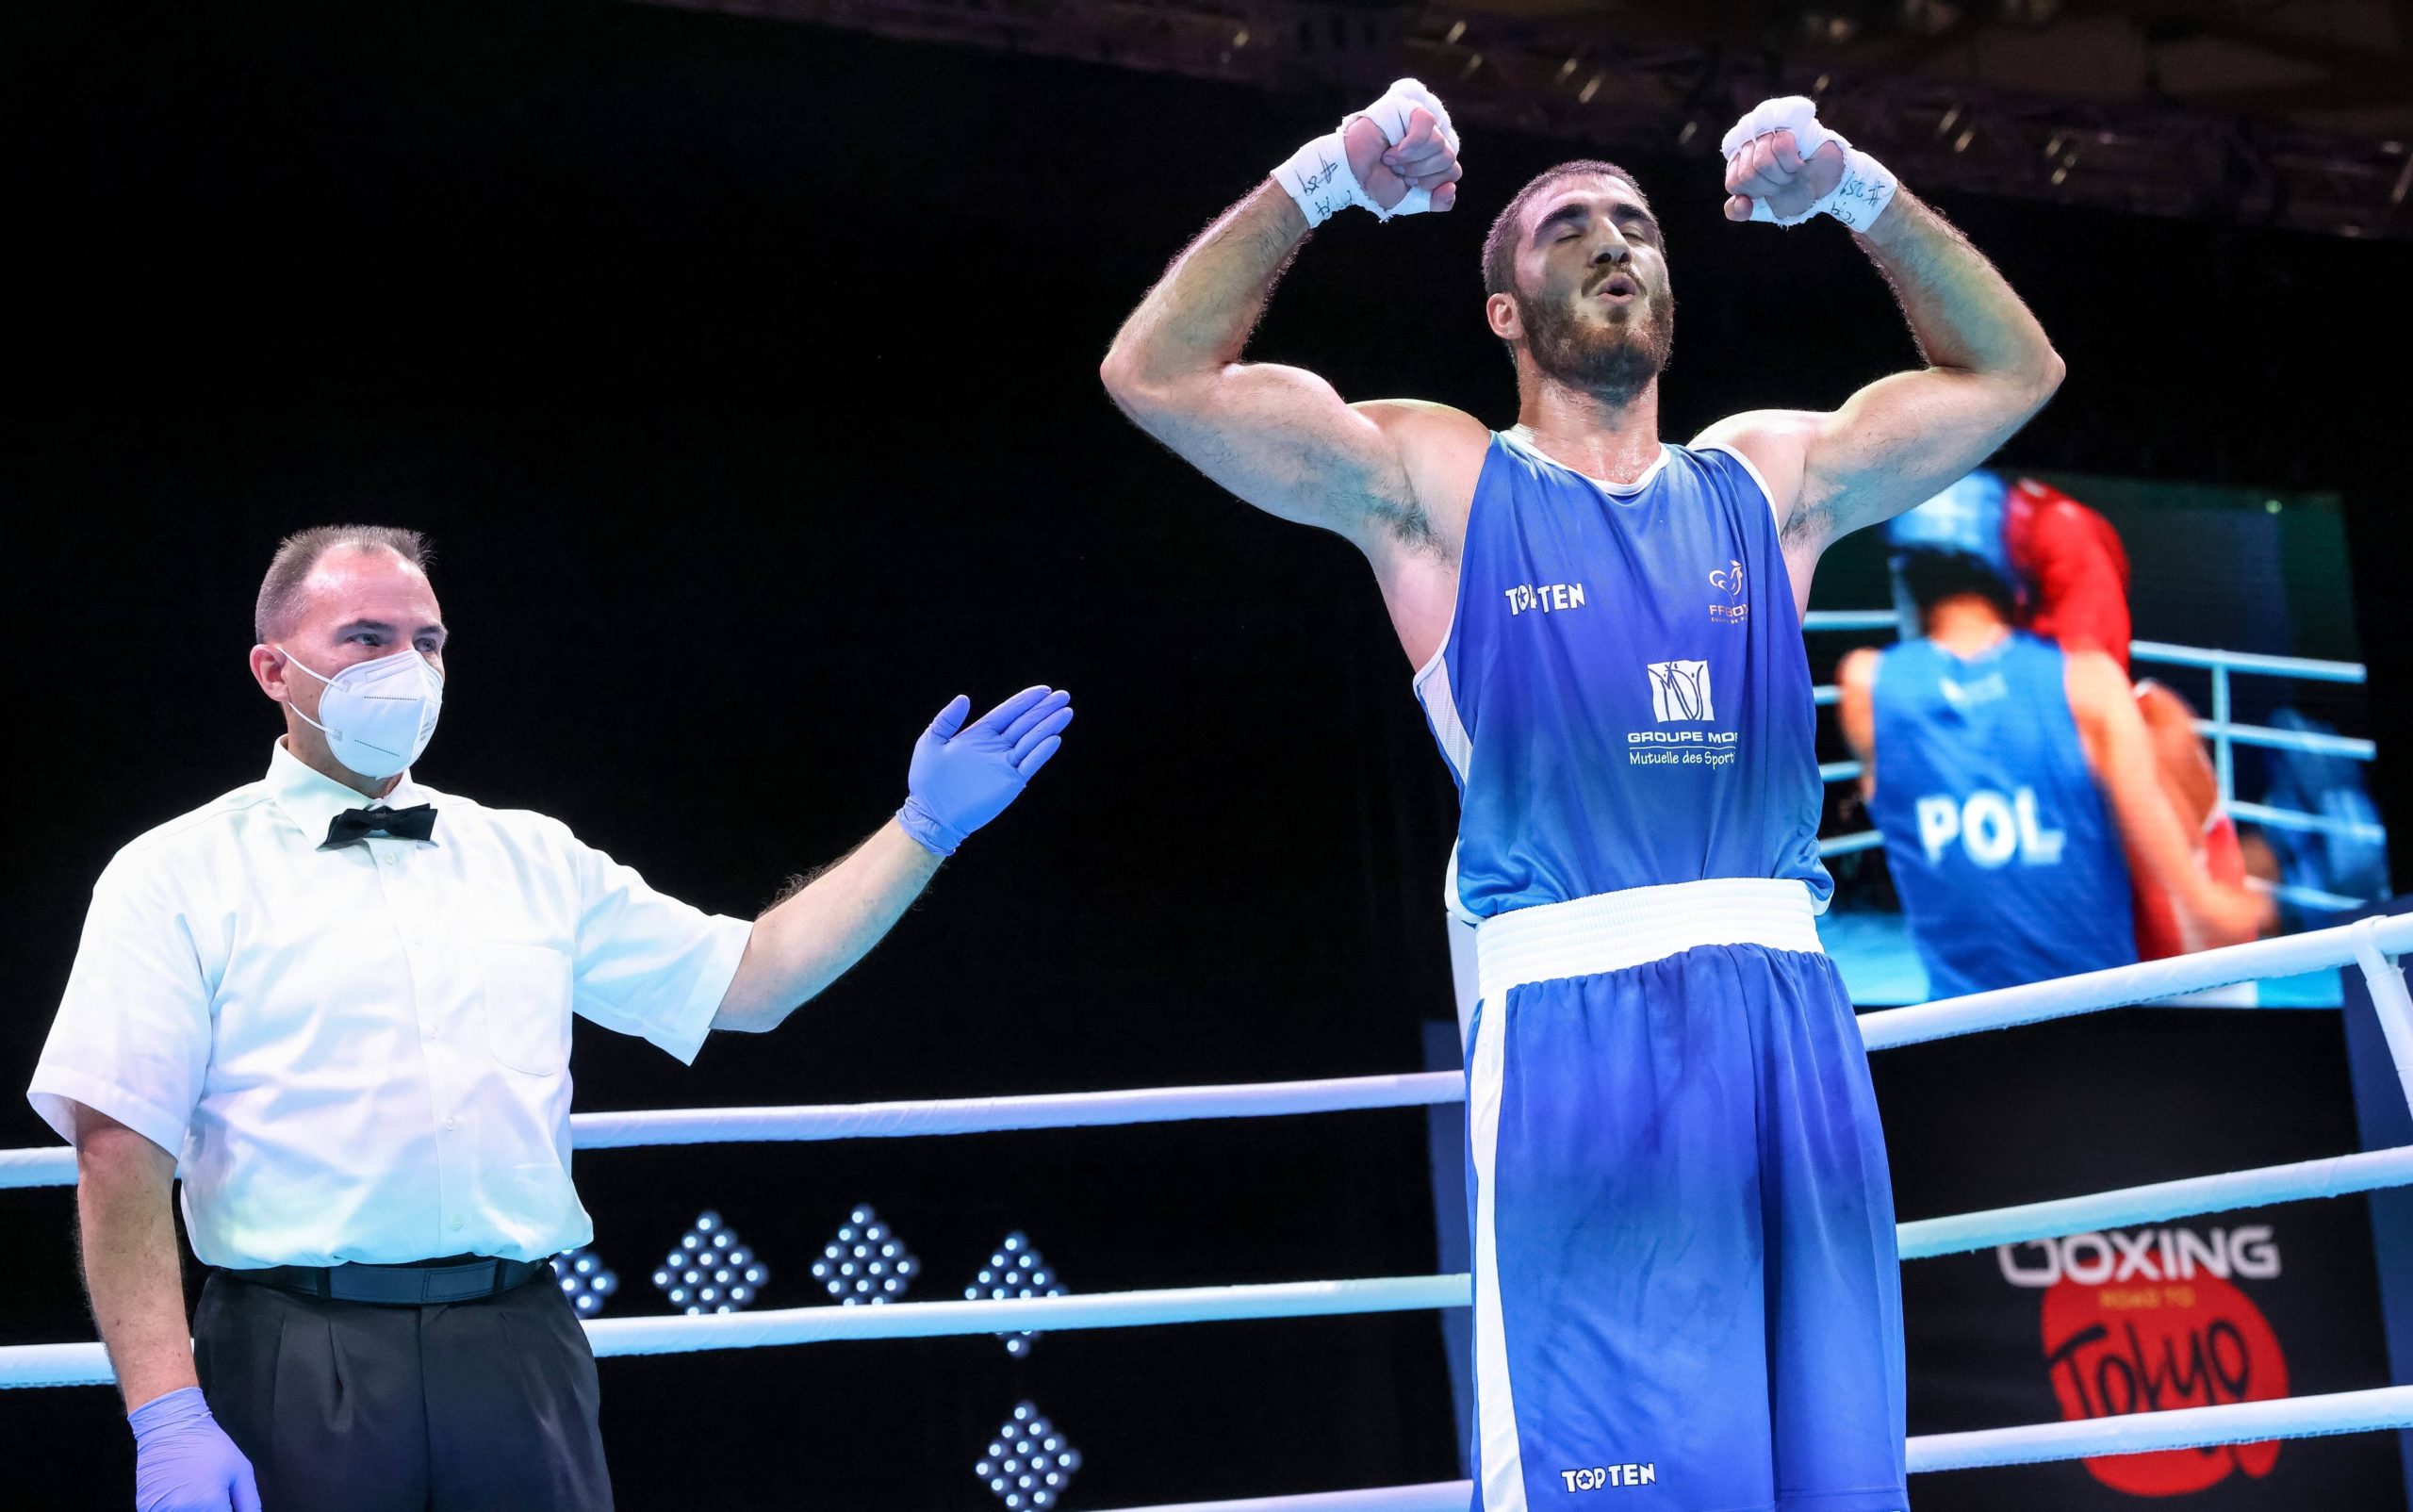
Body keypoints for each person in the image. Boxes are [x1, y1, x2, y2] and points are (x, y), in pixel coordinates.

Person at [1101, 78, 2060, 1512]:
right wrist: (1327, 176)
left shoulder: (1765, 483)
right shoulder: (1443, 486)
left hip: (1792, 1025)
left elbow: (2012, 375)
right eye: (1566, 231)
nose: (1615, 245)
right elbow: (1156, 377)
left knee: (1836, 1484)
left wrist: (1856, 190)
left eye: (1636, 224)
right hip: (1582, 1046)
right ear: (1503, 312)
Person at [29, 525, 1074, 1512]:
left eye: (428, 639)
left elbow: (752, 981)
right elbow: (119, 1147)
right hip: (293, 1345)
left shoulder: (529, 854)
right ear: (273, 669)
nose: (409, 664)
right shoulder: (174, 872)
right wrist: (167, 1414)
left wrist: (922, 829)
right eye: (367, 638)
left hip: (519, 1339)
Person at [1836, 483, 2269, 997]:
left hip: (1954, 1026)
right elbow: (2203, 907)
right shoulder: (2091, 687)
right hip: (2096, 1018)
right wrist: (2263, 894)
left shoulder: (1864, 685)